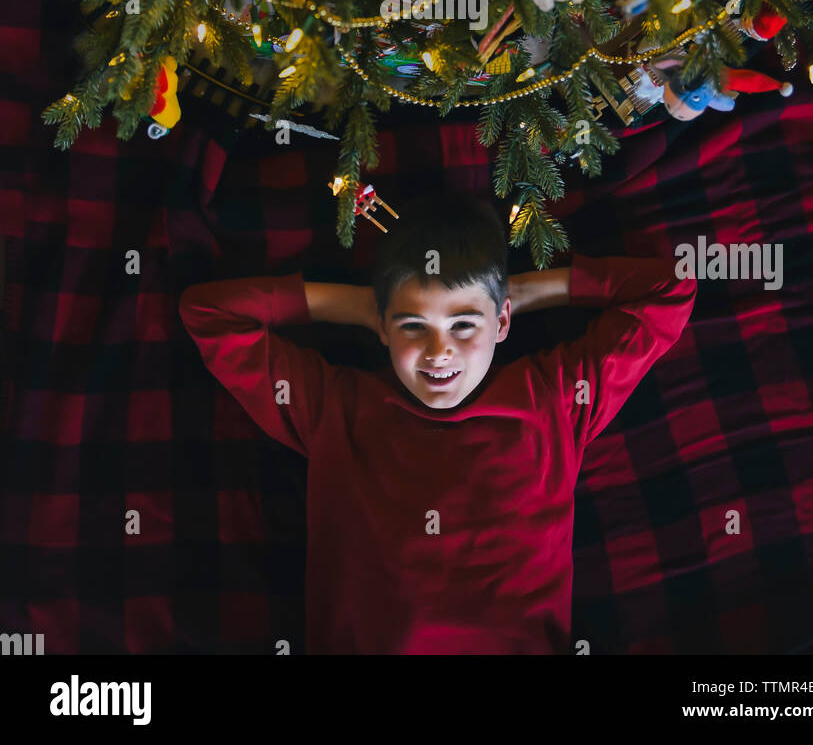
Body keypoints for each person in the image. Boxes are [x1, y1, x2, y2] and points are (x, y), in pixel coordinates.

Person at [179, 190, 696, 654]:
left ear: (502, 322)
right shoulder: (334, 408)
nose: (438, 351)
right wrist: (361, 306)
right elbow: (209, 314)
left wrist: (519, 293)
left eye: (463, 324)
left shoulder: (555, 399)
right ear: (382, 327)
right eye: (413, 326)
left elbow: (671, 289)